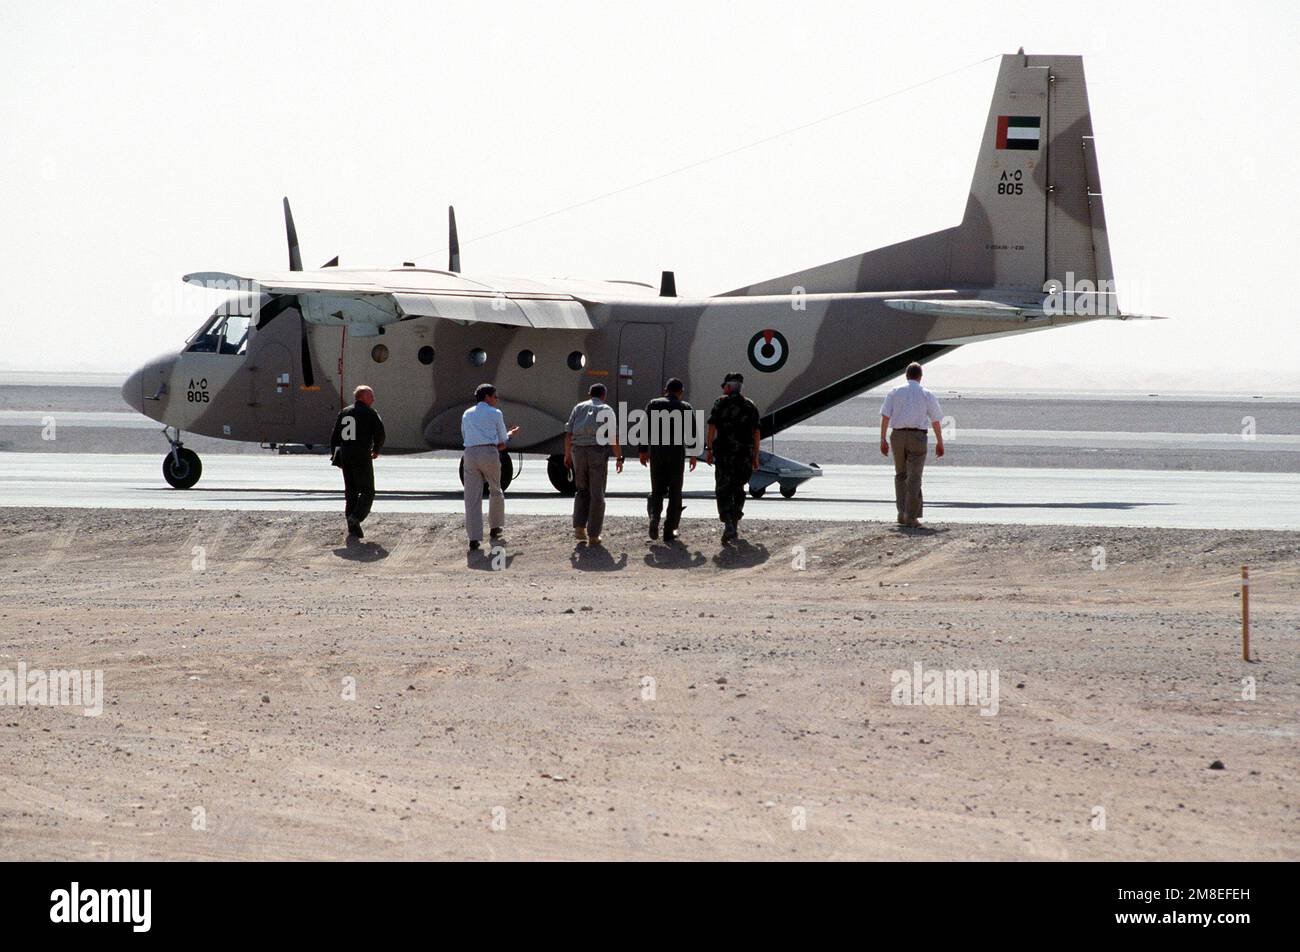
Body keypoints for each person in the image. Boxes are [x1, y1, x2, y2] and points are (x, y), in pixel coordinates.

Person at [879, 361, 945, 528]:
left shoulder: (895, 392)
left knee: (900, 474)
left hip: (898, 436)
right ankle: (911, 516)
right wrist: (939, 441)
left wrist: (883, 439)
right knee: (914, 477)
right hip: (918, 436)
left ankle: (902, 513)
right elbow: (936, 420)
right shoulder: (926, 394)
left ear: (906, 375)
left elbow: (885, 416)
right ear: (920, 377)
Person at [461, 383, 520, 550]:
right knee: (495, 489)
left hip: (470, 453)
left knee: (472, 497)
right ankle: (495, 527)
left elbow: (465, 435)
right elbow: (502, 440)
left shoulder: (467, 413)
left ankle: (474, 538)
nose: (496, 400)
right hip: (489, 453)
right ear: (487, 397)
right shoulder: (495, 413)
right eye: (495, 396)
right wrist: (511, 434)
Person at [705, 372, 761, 544]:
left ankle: (728, 523)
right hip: (744, 455)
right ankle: (734, 524)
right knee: (738, 488)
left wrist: (709, 449)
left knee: (723, 489)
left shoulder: (720, 403)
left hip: (725, 454)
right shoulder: (750, 406)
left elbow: (712, 427)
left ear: (729, 386)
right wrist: (756, 456)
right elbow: (756, 432)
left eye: (725, 386)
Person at [564, 383, 623, 546]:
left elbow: (568, 434)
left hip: (578, 452)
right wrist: (619, 457)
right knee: (597, 494)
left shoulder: (578, 408)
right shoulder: (607, 410)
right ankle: (594, 535)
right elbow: (613, 437)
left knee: (582, 490)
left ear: (590, 394)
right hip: (597, 452)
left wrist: (567, 455)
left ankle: (579, 528)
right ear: (604, 395)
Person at [638, 378, 696, 543]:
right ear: (680, 392)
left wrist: (643, 451)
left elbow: (644, 428)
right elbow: (692, 432)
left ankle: (654, 517)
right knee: (675, 492)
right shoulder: (685, 407)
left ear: (666, 390)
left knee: (657, 490)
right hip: (676, 453)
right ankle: (669, 530)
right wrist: (693, 454)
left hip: (657, 452)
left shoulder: (654, 404)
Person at [329, 385, 386, 538]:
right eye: (370, 396)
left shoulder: (345, 412)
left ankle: (352, 526)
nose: (373, 399)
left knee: (351, 492)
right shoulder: (370, 413)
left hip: (346, 455)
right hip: (361, 454)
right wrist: (377, 450)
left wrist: (335, 456)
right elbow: (380, 433)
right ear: (362, 397)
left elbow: (334, 437)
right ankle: (356, 517)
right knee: (368, 491)